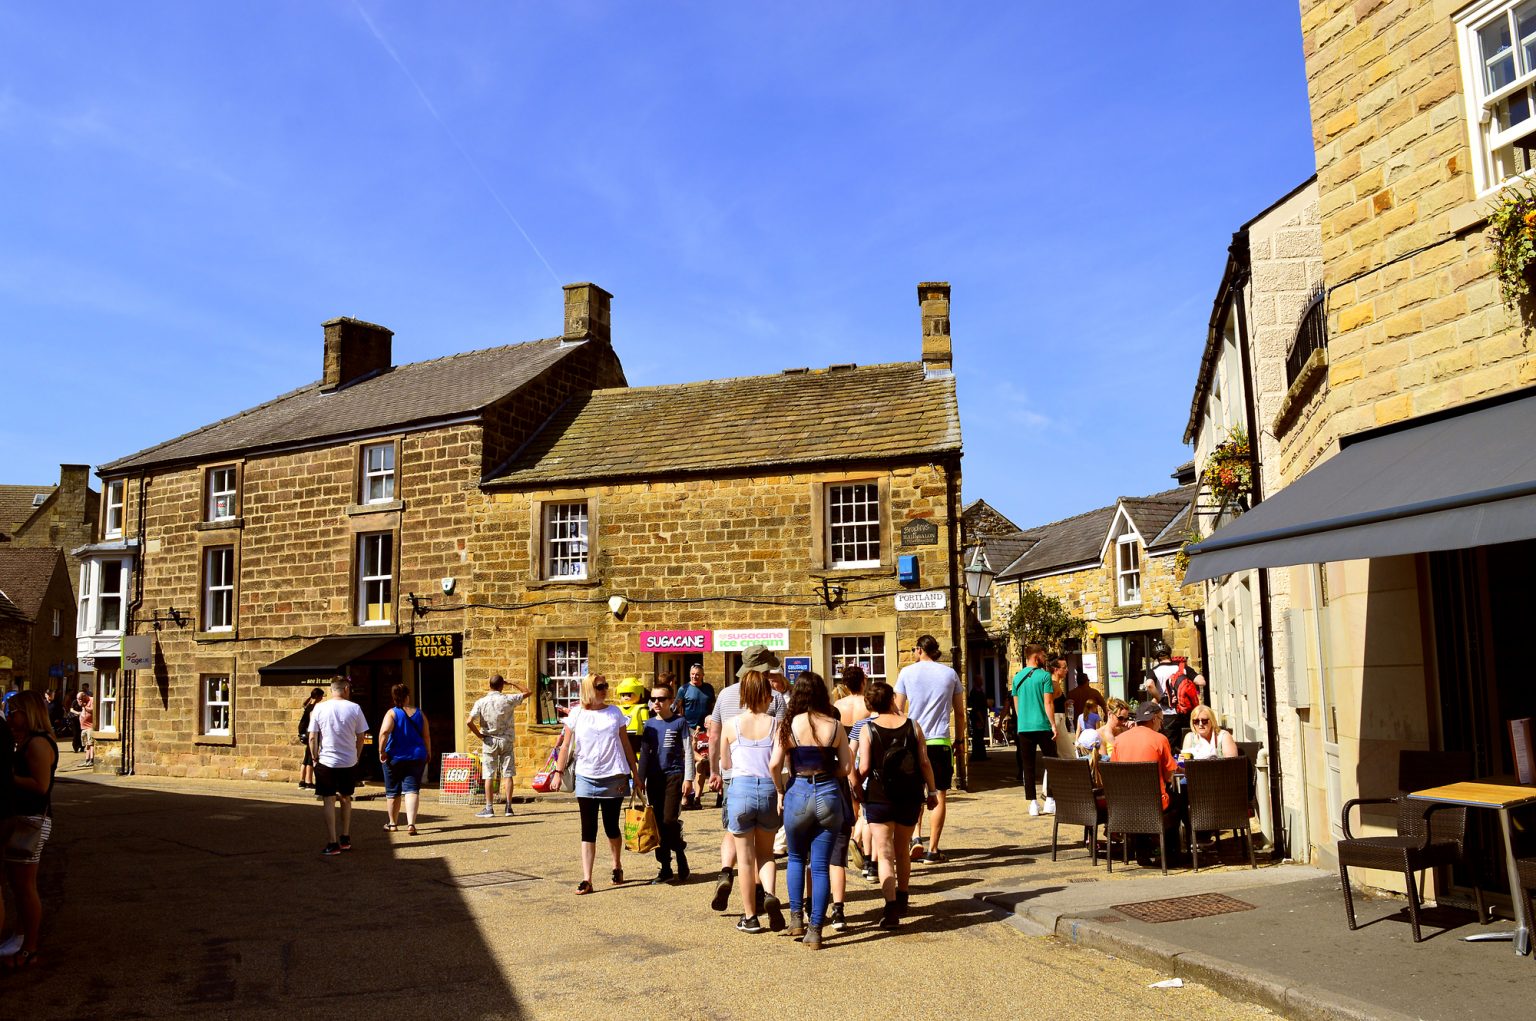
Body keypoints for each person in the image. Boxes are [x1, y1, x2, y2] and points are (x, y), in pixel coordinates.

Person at [771, 672, 850, 949]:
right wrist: (831, 771)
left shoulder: (789, 725)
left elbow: (773, 764)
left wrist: (780, 790)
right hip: (828, 790)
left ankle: (795, 920)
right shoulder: (835, 725)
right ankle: (815, 929)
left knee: (794, 858)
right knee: (820, 866)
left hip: (798, 790)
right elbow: (846, 767)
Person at [706, 645, 788, 914]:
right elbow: (782, 744)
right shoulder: (774, 698)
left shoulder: (725, 694)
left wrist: (715, 771)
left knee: (735, 832)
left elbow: (715, 736)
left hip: (735, 777)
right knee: (764, 848)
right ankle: (762, 891)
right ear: (764, 669)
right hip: (766, 776)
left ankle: (727, 872)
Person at [857, 679, 938, 928]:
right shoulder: (913, 726)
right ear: (892, 699)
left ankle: (890, 906)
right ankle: (903, 895)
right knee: (903, 850)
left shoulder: (868, 729)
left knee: (884, 854)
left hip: (880, 797)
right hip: (909, 794)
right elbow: (924, 762)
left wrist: (854, 789)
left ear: (870, 703)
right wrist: (932, 790)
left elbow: (864, 767)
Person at [552, 674, 640, 894]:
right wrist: (558, 772)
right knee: (588, 829)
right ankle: (587, 879)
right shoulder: (577, 714)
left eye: (605, 686)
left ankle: (616, 865)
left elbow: (626, 744)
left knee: (611, 826)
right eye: (599, 686)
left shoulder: (615, 713)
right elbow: (565, 746)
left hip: (614, 775)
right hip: (585, 775)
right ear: (588, 689)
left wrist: (636, 774)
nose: (604, 689)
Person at [720, 667, 785, 933]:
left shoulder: (730, 724)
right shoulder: (777, 725)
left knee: (745, 860)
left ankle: (750, 917)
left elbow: (725, 763)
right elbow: (778, 763)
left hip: (740, 789)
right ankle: (768, 893)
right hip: (769, 789)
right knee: (766, 854)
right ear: (767, 695)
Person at [893, 633, 964, 863]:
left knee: (915, 794)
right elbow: (960, 713)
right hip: (940, 741)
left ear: (919, 650)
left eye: (914, 649)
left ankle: (916, 837)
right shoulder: (949, 674)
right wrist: (960, 740)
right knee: (939, 794)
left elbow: (897, 709)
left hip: (914, 740)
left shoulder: (907, 673)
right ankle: (933, 849)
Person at [2, 691, 57, 967]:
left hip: (32, 819)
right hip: (24, 818)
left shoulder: (37, 743)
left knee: (25, 886)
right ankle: (20, 937)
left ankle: (29, 948)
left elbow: (40, 786)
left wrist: (8, 777)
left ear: (30, 713)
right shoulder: (26, 742)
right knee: (18, 885)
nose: (10, 716)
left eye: (14, 711)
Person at [1112, 700, 1185, 865]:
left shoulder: (1119, 740)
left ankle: (1143, 851)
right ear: (1153, 719)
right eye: (1161, 720)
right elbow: (1168, 776)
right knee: (1180, 800)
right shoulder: (1160, 739)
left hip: (1125, 804)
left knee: (1143, 799)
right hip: (1155, 804)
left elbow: (1114, 771)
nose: (1161, 724)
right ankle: (1171, 854)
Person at [637, 679, 694, 884]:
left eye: (661, 699)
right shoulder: (650, 724)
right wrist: (639, 778)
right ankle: (665, 867)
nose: (656, 703)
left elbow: (688, 750)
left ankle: (679, 851)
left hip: (674, 775)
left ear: (671, 700)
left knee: (669, 820)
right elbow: (644, 753)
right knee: (657, 824)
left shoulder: (680, 722)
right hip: (654, 777)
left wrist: (689, 778)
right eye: (653, 699)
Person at [308, 676, 370, 856]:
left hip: (326, 760)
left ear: (331, 689)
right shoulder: (355, 708)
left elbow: (312, 736)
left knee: (328, 799)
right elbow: (361, 737)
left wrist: (314, 757)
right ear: (345, 689)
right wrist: (356, 756)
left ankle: (332, 842)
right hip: (348, 761)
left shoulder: (319, 708)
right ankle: (345, 837)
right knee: (346, 798)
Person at [467, 674, 528, 818]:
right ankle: (508, 807)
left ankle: (489, 808)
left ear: (489, 685)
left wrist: (479, 735)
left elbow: (469, 721)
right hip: (506, 739)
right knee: (508, 773)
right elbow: (528, 692)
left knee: (489, 774)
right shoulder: (508, 699)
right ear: (501, 685)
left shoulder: (481, 702)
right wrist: (512, 682)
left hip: (490, 740)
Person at [378, 683, 432, 835]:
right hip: (416, 756)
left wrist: (381, 750)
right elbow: (426, 735)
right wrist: (428, 751)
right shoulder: (420, 713)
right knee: (412, 790)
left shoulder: (392, 713)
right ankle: (411, 824)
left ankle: (393, 823)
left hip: (395, 756)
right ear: (407, 696)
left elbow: (384, 732)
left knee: (392, 791)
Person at [1011, 644, 1056, 816]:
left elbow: (1016, 705)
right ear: (1036, 657)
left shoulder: (1017, 678)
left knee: (1027, 766)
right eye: (1043, 655)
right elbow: (1048, 703)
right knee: (1051, 763)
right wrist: (1053, 724)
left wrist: (1023, 720)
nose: (1045, 659)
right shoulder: (1044, 676)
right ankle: (1050, 800)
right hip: (1043, 725)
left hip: (1024, 726)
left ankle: (1032, 803)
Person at [297, 687, 324, 791]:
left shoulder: (308, 705)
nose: (322, 698)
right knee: (310, 758)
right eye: (321, 696)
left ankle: (302, 781)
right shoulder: (314, 707)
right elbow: (313, 723)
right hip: (310, 733)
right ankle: (309, 782)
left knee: (306, 757)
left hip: (305, 733)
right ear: (317, 696)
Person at [74, 686, 94, 765]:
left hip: (90, 726)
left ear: (85, 696)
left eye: (80, 699)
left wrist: (84, 707)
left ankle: (92, 759)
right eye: (78, 699)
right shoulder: (84, 702)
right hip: (83, 727)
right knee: (86, 745)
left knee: (91, 743)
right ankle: (87, 760)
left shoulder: (91, 700)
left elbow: (93, 710)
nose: (79, 701)